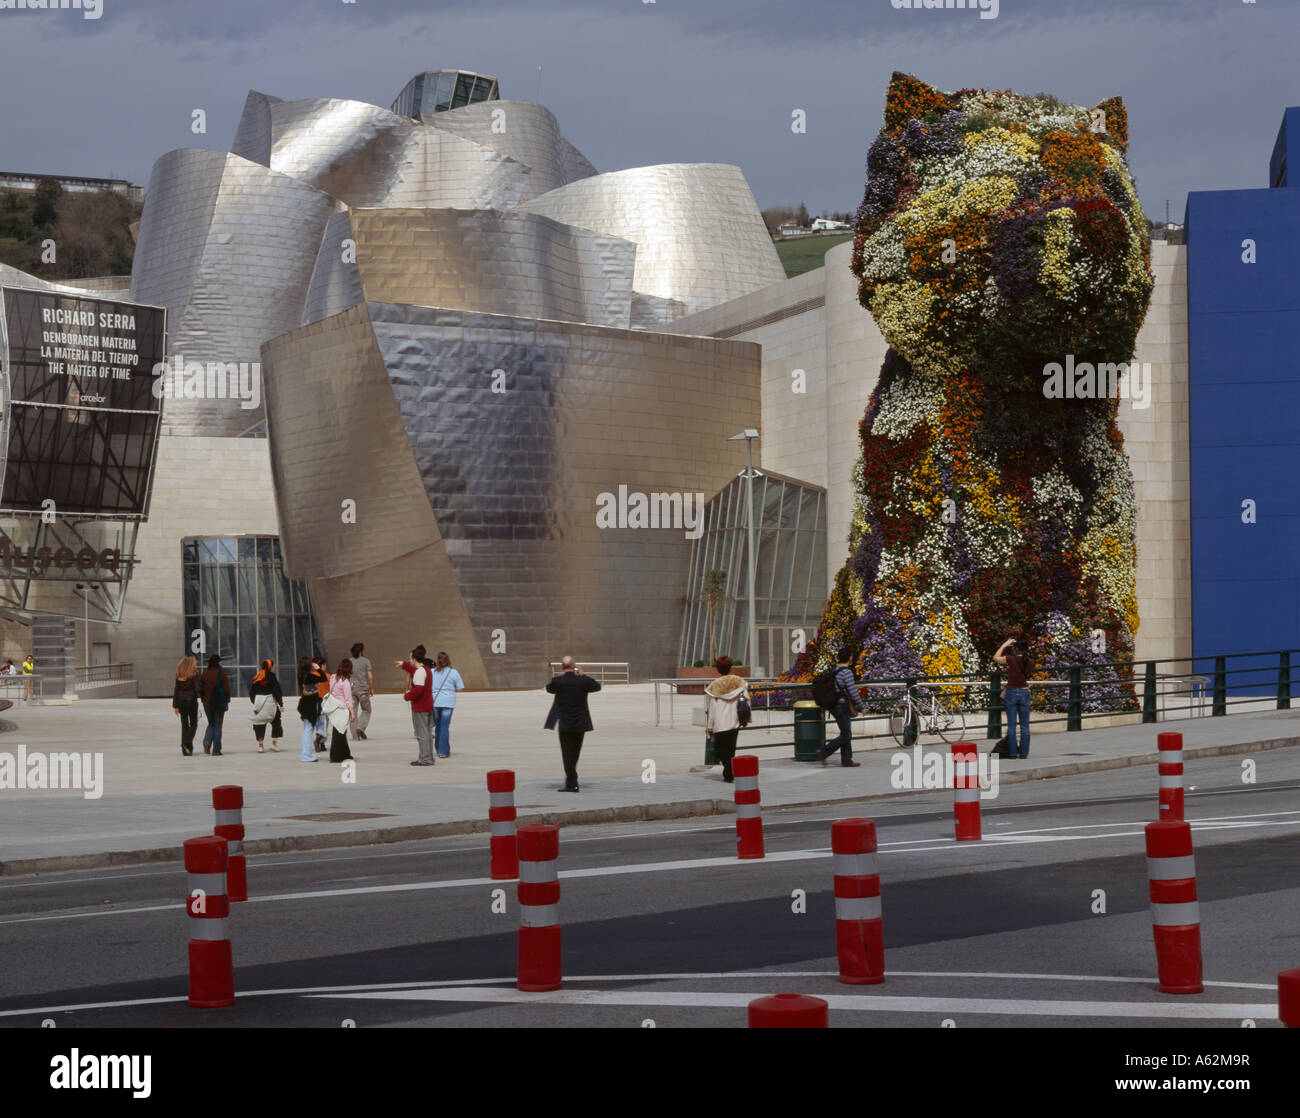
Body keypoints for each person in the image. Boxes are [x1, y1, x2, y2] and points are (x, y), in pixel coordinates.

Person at [544, 656, 601, 792]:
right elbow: (597, 687)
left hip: (565, 722)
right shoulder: (584, 681)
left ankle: (572, 782)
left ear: (562, 667)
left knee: (567, 753)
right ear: (574, 666)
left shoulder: (558, 681)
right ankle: (572, 779)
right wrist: (582, 674)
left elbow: (549, 688)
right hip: (580, 722)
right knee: (575, 752)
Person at [704, 655, 749, 783]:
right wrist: (745, 718)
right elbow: (746, 700)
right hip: (734, 721)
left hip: (719, 723)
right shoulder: (738, 681)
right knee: (731, 748)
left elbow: (711, 707)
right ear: (730, 667)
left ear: (718, 669)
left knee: (721, 749)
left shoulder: (714, 686)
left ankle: (728, 770)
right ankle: (729, 772)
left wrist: (710, 725)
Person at [818, 647, 863, 767]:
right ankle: (823, 751)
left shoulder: (835, 669)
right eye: (851, 656)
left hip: (833, 705)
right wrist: (862, 707)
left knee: (845, 731)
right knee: (847, 734)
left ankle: (847, 760)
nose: (852, 658)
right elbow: (853, 692)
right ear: (849, 658)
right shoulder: (846, 672)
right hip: (841, 705)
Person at [397, 645, 435, 766]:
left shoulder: (420, 672)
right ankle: (428, 757)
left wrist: (407, 696)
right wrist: (404, 665)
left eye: (410, 658)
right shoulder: (425, 669)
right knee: (427, 732)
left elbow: (418, 690)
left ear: (414, 659)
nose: (409, 660)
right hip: (428, 705)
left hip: (420, 706)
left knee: (421, 733)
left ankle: (425, 759)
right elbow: (415, 672)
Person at [995, 637, 1033, 759]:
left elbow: (995, 658)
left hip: (1011, 692)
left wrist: (1005, 644)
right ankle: (1024, 753)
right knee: (1025, 726)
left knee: (1011, 725)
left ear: (1016, 649)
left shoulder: (1011, 659)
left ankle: (1012, 753)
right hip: (1024, 692)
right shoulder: (1030, 662)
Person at [429, 651, 465, 758]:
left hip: (435, 702)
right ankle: (443, 751)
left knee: (438, 726)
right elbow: (460, 689)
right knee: (444, 726)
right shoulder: (454, 672)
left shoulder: (432, 672)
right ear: (448, 660)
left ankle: (439, 748)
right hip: (448, 703)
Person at [248, 659, 284, 753]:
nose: (273, 667)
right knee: (276, 721)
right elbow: (277, 690)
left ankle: (260, 746)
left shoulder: (257, 676)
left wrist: (255, 702)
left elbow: (252, 692)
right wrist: (281, 704)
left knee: (259, 723)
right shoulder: (272, 676)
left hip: (259, 703)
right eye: (273, 666)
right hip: (270, 702)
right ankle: (274, 744)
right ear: (270, 667)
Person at [199, 654, 232, 756]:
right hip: (219, 702)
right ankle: (216, 750)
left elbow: (201, 688)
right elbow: (226, 688)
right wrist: (228, 699)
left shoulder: (205, 673)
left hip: (207, 703)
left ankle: (207, 741)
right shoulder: (221, 673)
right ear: (218, 662)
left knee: (211, 723)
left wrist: (203, 699)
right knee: (218, 725)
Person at [323, 659, 355, 762]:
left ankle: (346, 753)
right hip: (342, 709)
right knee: (339, 733)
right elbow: (348, 699)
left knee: (339, 731)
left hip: (334, 708)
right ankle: (335, 756)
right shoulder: (345, 682)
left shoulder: (333, 677)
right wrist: (352, 713)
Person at [296, 656, 326, 763]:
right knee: (308, 730)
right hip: (311, 705)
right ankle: (306, 755)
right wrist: (318, 668)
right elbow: (323, 678)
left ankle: (306, 753)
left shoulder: (301, 675)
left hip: (305, 704)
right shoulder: (309, 676)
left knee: (307, 729)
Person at [171, 655, 201, 756]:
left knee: (184, 725)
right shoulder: (194, 674)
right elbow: (197, 689)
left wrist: (175, 705)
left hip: (181, 702)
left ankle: (187, 750)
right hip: (191, 701)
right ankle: (186, 743)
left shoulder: (179, 674)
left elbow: (176, 690)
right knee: (193, 724)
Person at [349, 642, 375, 742]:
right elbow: (370, 676)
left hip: (351, 689)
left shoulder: (349, 661)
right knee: (366, 710)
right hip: (363, 689)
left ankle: (355, 737)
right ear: (361, 651)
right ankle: (360, 727)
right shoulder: (366, 661)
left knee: (352, 712)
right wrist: (371, 688)